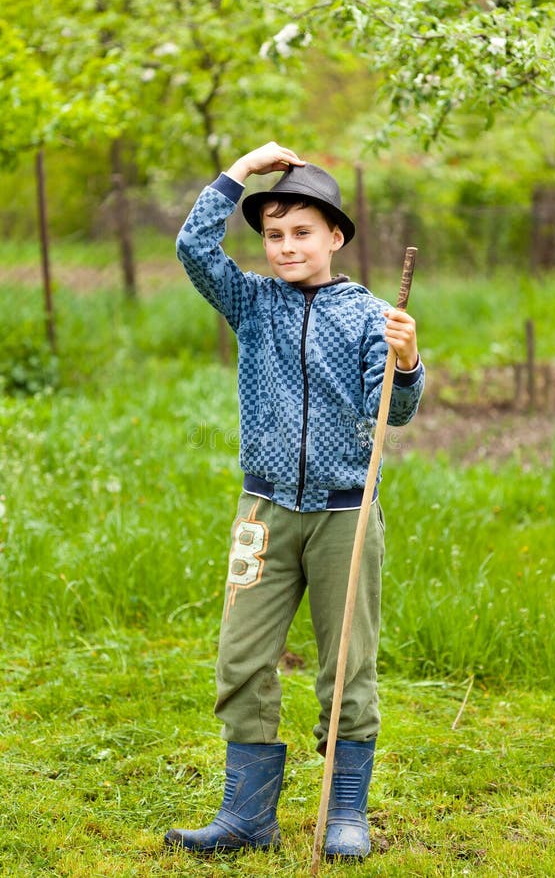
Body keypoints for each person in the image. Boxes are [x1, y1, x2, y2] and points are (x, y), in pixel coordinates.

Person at [164, 142, 425, 861]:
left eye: (301, 232)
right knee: (242, 659)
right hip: (264, 512)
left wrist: (406, 363)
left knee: (346, 666)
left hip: (344, 513)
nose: (285, 246)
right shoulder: (250, 301)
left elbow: (394, 415)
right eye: (274, 234)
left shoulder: (372, 314)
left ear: (335, 236)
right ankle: (246, 816)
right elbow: (193, 246)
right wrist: (241, 170)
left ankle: (344, 814)